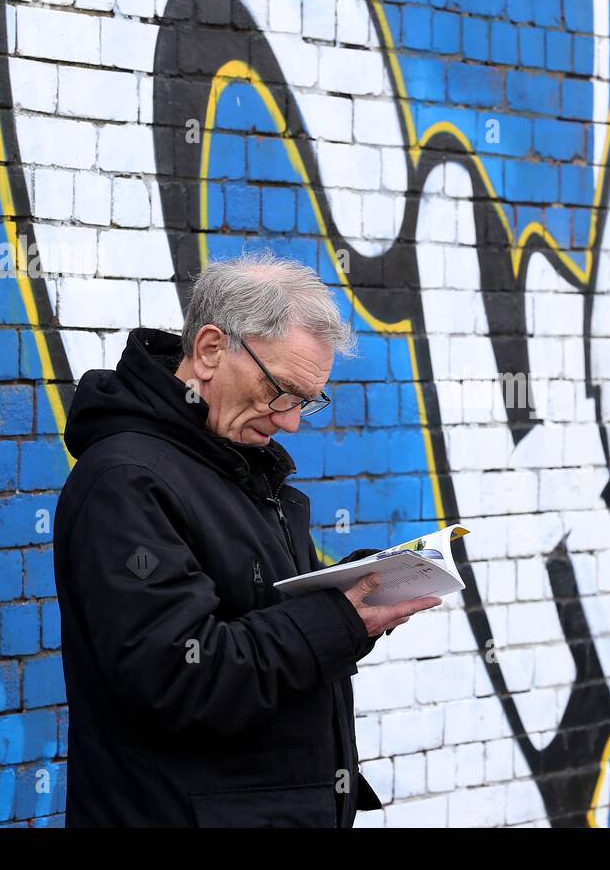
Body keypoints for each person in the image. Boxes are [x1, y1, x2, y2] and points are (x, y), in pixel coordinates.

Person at [53, 251, 441, 826]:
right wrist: (338, 620)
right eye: (279, 390)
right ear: (211, 349)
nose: (289, 421)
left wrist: (356, 598)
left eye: (305, 401)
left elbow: (265, 621)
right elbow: (179, 676)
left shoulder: (239, 466)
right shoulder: (127, 481)